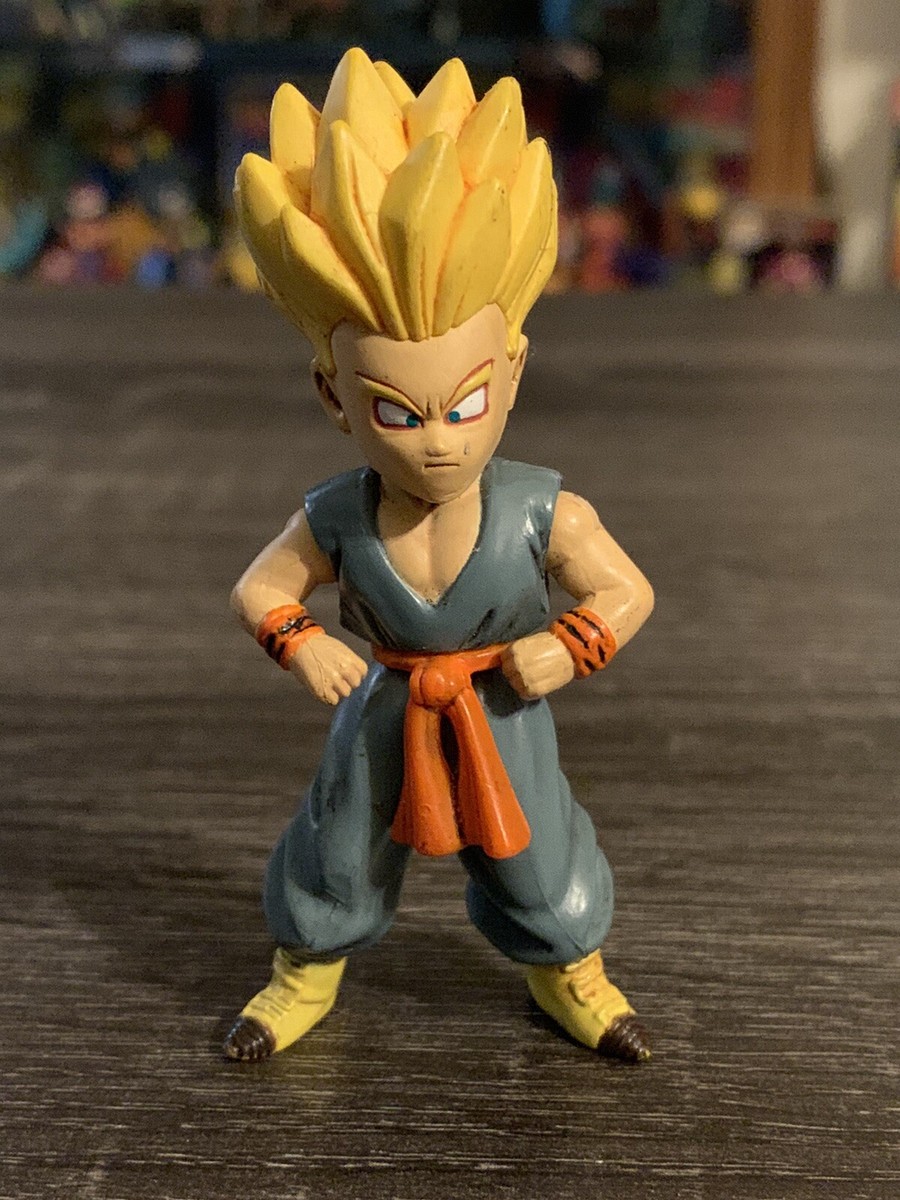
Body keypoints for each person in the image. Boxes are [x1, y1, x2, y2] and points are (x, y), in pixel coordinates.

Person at [225, 48, 654, 1064]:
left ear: (513, 371)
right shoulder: (338, 514)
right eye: (397, 412)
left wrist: (570, 646)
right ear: (334, 397)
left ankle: (571, 971)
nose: (437, 443)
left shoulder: (543, 510)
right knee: (340, 845)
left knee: (539, 857)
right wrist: (299, 642)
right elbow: (262, 585)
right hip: (383, 709)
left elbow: (627, 590)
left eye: (465, 405)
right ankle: (303, 970)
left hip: (501, 710)